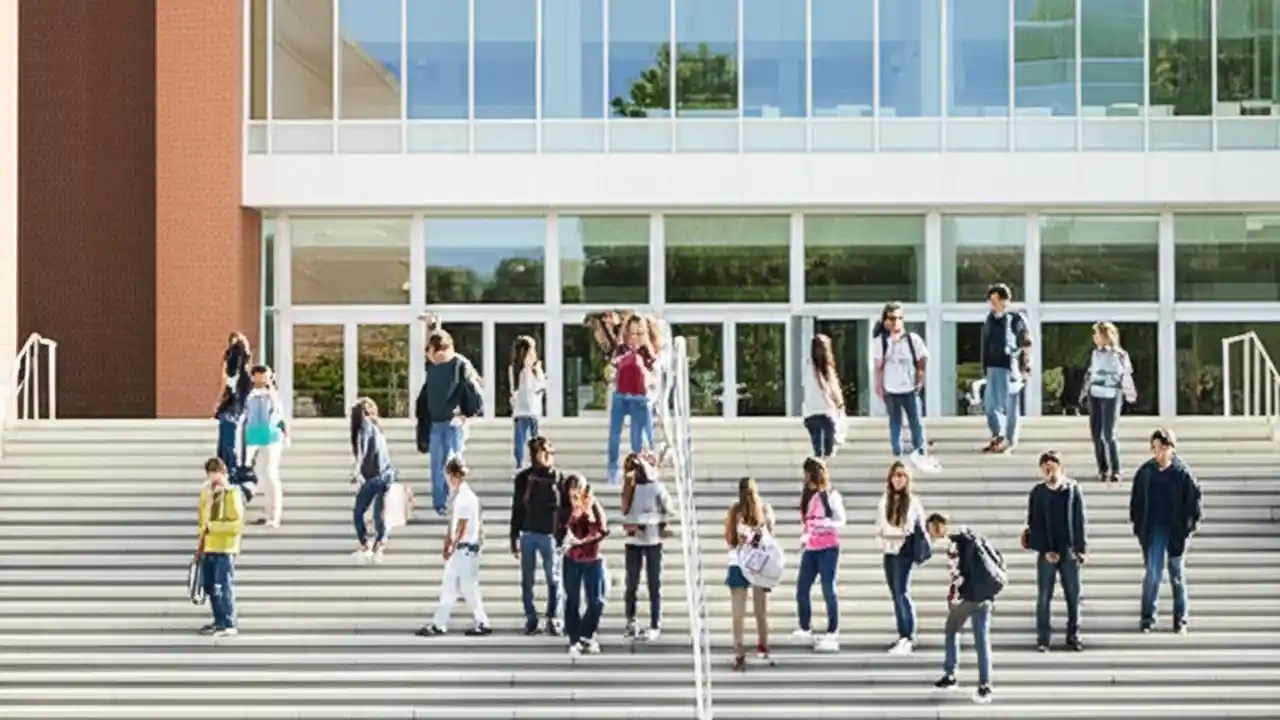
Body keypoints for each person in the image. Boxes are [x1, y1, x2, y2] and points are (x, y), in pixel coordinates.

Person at [1130, 428, 1203, 634]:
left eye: (1162, 447)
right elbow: (1136, 502)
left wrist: (1188, 527)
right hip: (1153, 529)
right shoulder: (1145, 472)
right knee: (1153, 573)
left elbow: (1194, 504)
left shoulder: (1182, 473)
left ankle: (1181, 619)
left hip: (1176, 529)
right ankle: (1147, 618)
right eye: (1155, 448)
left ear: (1171, 448)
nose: (1159, 452)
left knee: (1177, 574)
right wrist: (1138, 526)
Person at [929, 512, 1001, 704]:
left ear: (941, 527)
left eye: (934, 529)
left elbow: (957, 576)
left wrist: (953, 597)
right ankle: (985, 685)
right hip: (985, 594)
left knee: (951, 628)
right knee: (982, 640)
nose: (934, 533)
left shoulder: (953, 545)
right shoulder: (971, 538)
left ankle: (950, 674)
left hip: (969, 597)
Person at [417, 458, 492, 637]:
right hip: (465, 549)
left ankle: (480, 622)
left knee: (464, 587)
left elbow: (462, 525)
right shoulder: (463, 496)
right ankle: (440, 623)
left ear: (453, 475)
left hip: (463, 550)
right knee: (454, 587)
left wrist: (452, 544)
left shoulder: (464, 497)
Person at [1024, 450, 1088, 652]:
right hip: (1047, 551)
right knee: (1044, 596)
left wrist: (1081, 548)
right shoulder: (1038, 492)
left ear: (1060, 467)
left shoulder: (1072, 489)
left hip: (1068, 548)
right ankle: (1043, 638)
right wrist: (1044, 549)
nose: (1048, 470)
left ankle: (1073, 635)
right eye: (1045, 466)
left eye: (1052, 465)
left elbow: (1079, 520)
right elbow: (1034, 523)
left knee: (1073, 595)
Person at [415, 329, 483, 515]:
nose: (432, 358)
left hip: (454, 423)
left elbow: (475, 391)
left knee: (454, 462)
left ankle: (456, 498)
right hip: (436, 422)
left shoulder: (460, 365)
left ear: (442, 350)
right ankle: (440, 503)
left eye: (433, 354)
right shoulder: (432, 367)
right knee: (437, 464)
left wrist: (467, 413)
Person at [873, 302, 939, 472]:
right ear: (885, 320)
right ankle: (898, 453)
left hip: (909, 387)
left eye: (899, 318)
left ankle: (920, 451)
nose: (896, 322)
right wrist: (879, 386)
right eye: (892, 319)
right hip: (891, 388)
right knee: (895, 423)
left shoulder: (912, 339)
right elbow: (878, 366)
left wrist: (920, 378)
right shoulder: (881, 341)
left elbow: (922, 359)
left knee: (915, 421)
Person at [509, 435, 564, 636]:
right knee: (528, 579)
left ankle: (553, 617)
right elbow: (517, 508)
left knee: (553, 579)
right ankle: (531, 617)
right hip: (529, 532)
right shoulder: (523, 478)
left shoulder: (558, 477)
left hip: (550, 534)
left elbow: (564, 508)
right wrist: (513, 536)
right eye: (546, 453)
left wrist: (563, 533)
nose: (550, 457)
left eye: (552, 453)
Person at [874, 460, 927, 656]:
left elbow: (915, 526)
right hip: (889, 550)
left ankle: (908, 635)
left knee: (902, 591)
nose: (899, 479)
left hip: (904, 551)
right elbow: (880, 526)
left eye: (903, 475)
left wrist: (899, 534)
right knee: (895, 593)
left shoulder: (912, 502)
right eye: (896, 475)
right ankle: (902, 633)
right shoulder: (885, 500)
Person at [725, 476, 777, 671]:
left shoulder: (735, 510)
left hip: (738, 563)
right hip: (759, 564)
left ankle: (739, 651)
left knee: (738, 612)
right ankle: (763, 646)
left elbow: (729, 538)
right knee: (761, 610)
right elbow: (771, 537)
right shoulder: (764, 510)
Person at [794, 457, 846, 653]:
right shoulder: (807, 496)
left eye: (807, 473)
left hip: (828, 547)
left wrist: (825, 523)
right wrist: (805, 536)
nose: (805, 477)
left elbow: (841, 520)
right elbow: (807, 522)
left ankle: (833, 629)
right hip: (811, 547)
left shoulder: (830, 496)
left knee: (828, 588)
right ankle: (804, 626)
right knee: (802, 588)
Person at [621, 452, 671, 641]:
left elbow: (668, 508)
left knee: (652, 584)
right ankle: (633, 620)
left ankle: (653, 623)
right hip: (637, 540)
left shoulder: (656, 487)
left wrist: (650, 519)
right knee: (634, 583)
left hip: (651, 540)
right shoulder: (630, 487)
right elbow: (625, 510)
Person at [1081, 321, 1137, 484]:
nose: (1094, 337)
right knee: (1096, 433)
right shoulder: (1094, 354)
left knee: (1109, 433)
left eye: (1097, 334)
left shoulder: (1119, 354)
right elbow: (1090, 374)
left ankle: (1116, 469)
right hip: (1095, 395)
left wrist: (1129, 393)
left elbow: (1126, 375)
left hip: (1112, 395)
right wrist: (1084, 392)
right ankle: (1103, 468)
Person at [980, 283, 1033, 455]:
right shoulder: (990, 318)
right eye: (991, 300)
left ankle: (1009, 441)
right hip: (992, 367)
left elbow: (1026, 342)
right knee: (990, 406)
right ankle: (998, 436)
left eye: (996, 300)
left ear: (1005, 300)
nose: (993, 303)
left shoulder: (1016, 318)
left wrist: (1026, 366)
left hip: (1009, 366)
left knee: (1009, 407)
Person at [196, 457, 245, 637]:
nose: (214, 478)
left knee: (224, 584)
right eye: (211, 473)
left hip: (225, 547)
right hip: (209, 545)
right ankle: (218, 620)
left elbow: (237, 525)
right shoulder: (206, 493)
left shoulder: (231, 493)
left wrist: (213, 527)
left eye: (217, 473)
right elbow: (202, 519)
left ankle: (229, 622)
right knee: (211, 586)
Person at [605, 314, 656, 484]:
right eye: (631, 333)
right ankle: (612, 469)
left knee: (637, 437)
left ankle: (638, 471)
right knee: (615, 434)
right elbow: (612, 368)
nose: (634, 337)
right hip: (621, 395)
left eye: (638, 333)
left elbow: (654, 372)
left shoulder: (646, 350)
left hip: (638, 398)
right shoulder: (621, 349)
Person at [562, 478, 609, 657]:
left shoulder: (593, 505)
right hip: (572, 558)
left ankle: (586, 634)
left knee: (596, 600)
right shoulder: (567, 509)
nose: (576, 497)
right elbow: (560, 528)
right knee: (572, 599)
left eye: (578, 492)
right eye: (572, 494)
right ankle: (575, 638)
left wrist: (587, 512)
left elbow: (602, 529)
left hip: (592, 558)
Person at [349, 398, 397, 564]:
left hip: (374, 477)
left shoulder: (364, 427)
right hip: (386, 474)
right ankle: (379, 544)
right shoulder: (377, 427)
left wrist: (356, 471)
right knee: (379, 513)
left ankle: (366, 543)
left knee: (359, 512)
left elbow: (361, 451)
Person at [242, 365, 287, 528]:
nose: (262, 379)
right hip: (253, 437)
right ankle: (268, 511)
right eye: (259, 375)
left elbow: (279, 416)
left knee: (270, 472)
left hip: (271, 437)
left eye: (265, 375)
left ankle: (274, 515)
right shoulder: (249, 394)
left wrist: (285, 435)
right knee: (261, 474)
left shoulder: (272, 395)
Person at [801, 334, 845, 461]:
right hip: (825, 411)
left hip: (812, 412)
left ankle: (820, 471)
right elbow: (833, 389)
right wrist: (839, 404)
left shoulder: (810, 367)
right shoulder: (823, 369)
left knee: (819, 448)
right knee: (827, 448)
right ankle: (821, 470)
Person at [214, 333, 253, 472]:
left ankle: (227, 468)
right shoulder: (247, 375)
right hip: (238, 411)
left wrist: (218, 404)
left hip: (231, 410)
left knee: (226, 444)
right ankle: (232, 468)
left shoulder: (232, 367)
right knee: (232, 443)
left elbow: (225, 386)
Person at [508, 335, 546, 469]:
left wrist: (536, 370)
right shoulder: (517, 369)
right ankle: (520, 465)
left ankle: (533, 464)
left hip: (532, 411)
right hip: (523, 410)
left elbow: (541, 386)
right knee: (521, 440)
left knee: (533, 440)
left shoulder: (534, 368)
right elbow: (532, 388)